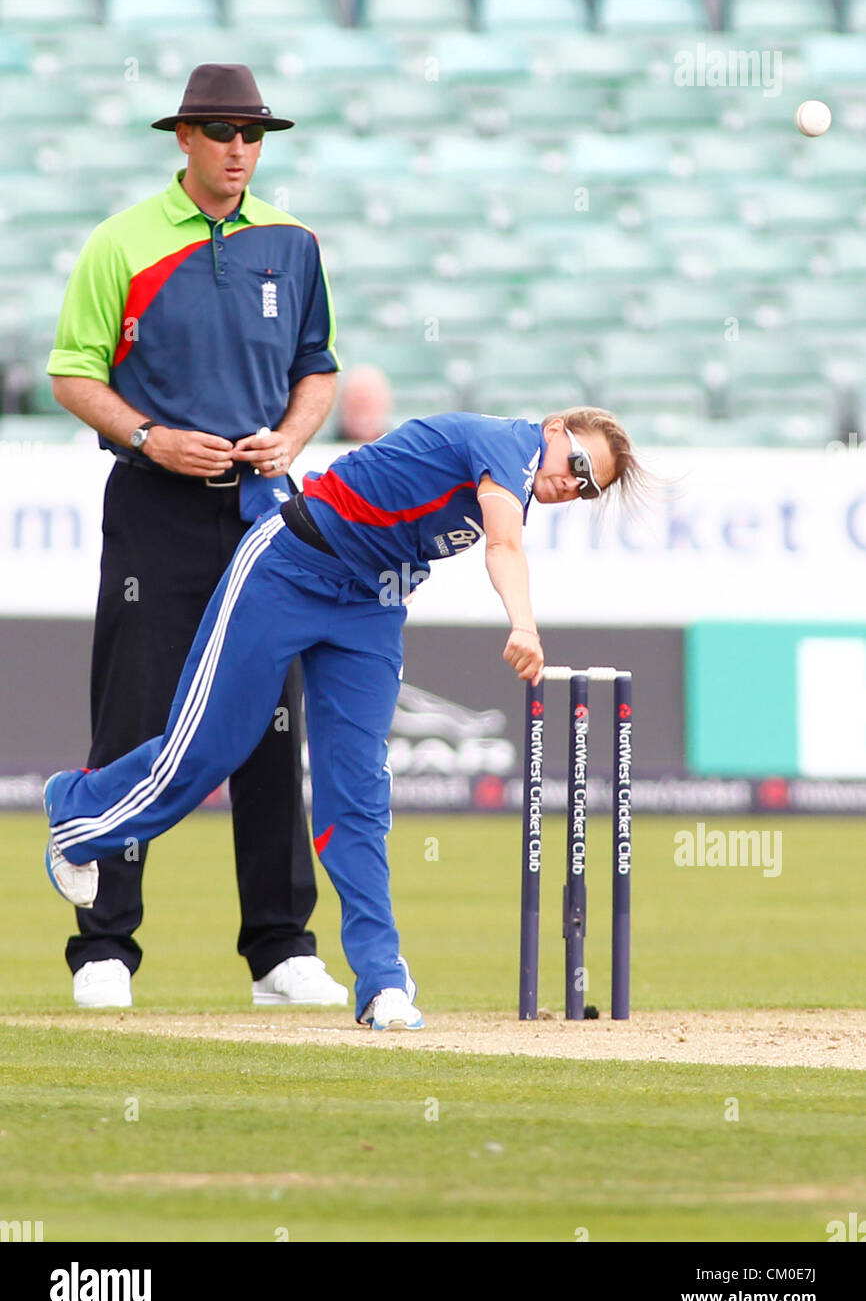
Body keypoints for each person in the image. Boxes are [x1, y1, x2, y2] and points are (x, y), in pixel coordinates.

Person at [42, 407, 642, 1030]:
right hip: (290, 565)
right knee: (208, 749)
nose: (575, 485)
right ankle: (77, 811)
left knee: (357, 795)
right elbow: (503, 543)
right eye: (577, 465)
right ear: (551, 430)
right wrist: (523, 623)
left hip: (371, 606)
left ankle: (382, 981)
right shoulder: (505, 444)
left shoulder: (521, 479)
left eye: (589, 487)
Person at [45, 63, 348, 1009]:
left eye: (251, 134)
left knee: (271, 717)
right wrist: (148, 437)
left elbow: (317, 368)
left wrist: (291, 440)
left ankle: (279, 949)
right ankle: (103, 946)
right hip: (155, 503)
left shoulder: (291, 243)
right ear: (182, 137)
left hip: (263, 508)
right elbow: (72, 373)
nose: (237, 149)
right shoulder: (121, 243)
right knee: (134, 716)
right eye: (219, 132)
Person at [335, 364, 393, 442]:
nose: (363, 415)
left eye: (370, 404)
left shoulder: (400, 449)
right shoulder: (323, 448)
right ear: (342, 406)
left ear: (386, 404)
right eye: (356, 404)